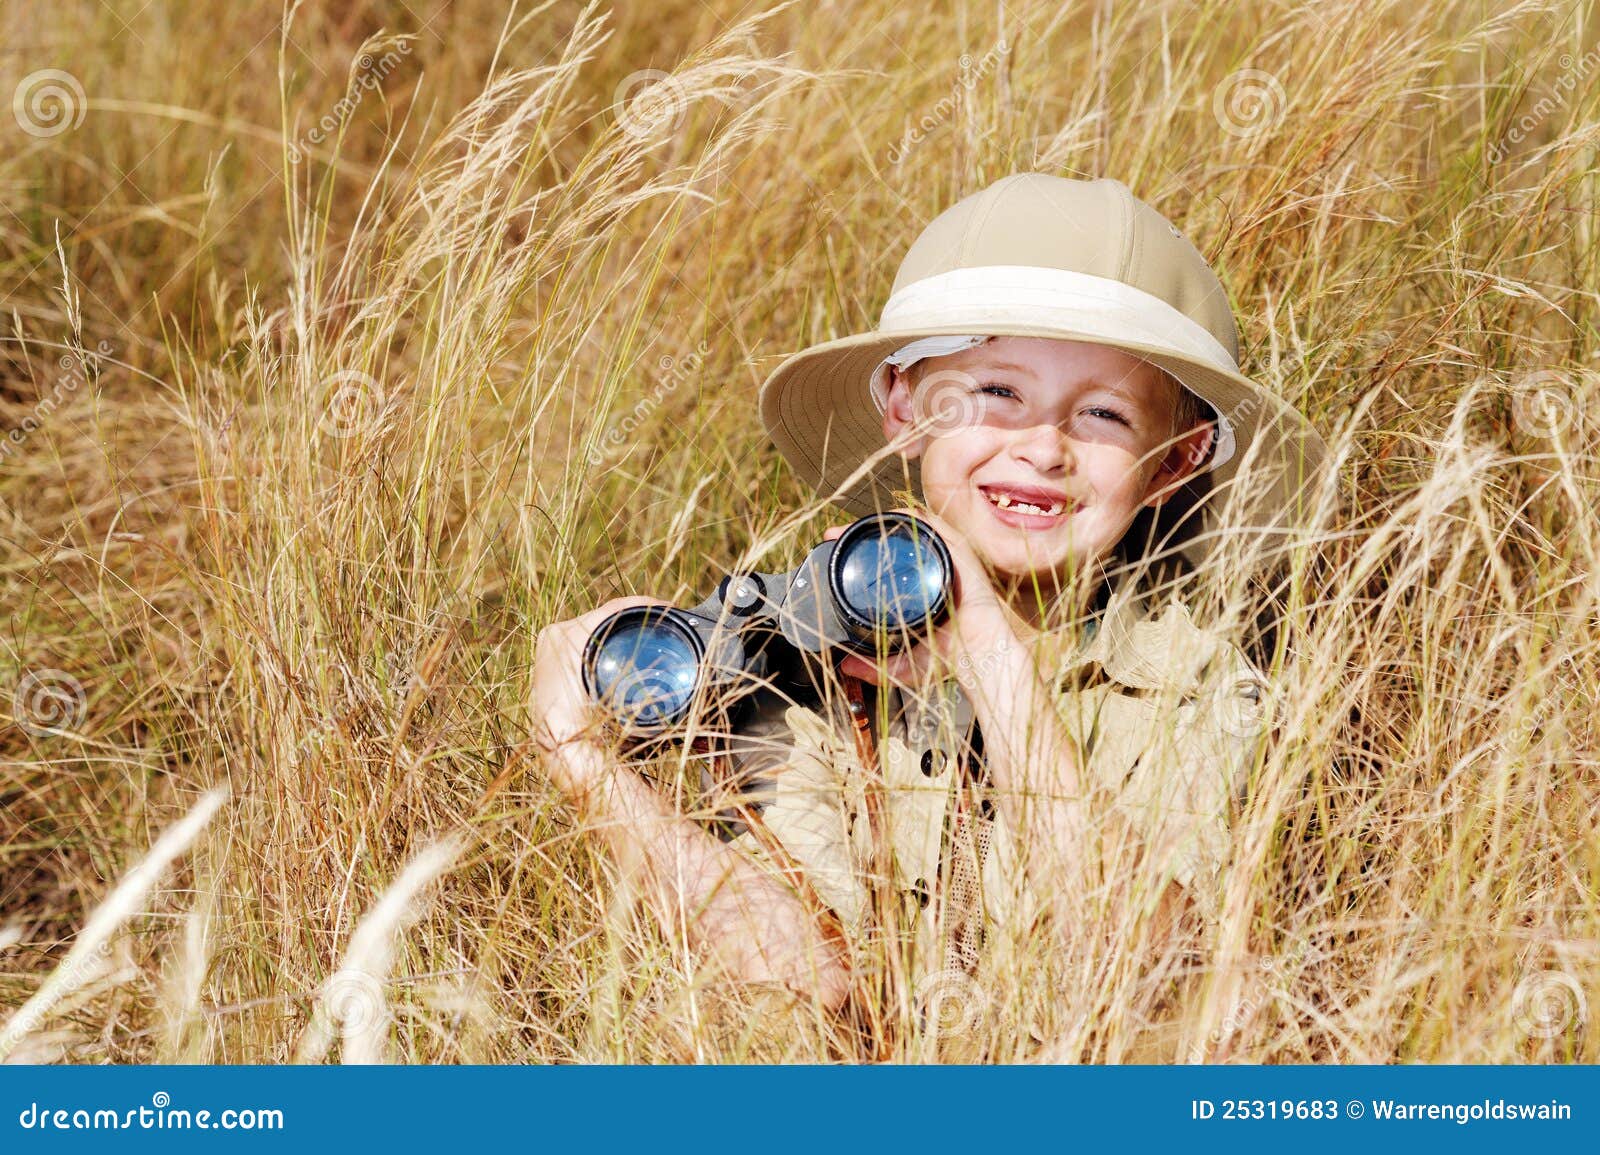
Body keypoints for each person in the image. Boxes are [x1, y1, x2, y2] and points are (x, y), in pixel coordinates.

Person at [531, 173, 1332, 1060]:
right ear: (907, 411)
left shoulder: (1206, 688)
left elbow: (1154, 987)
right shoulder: (800, 671)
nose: (1042, 446)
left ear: (1174, 464)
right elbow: (799, 982)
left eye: (1104, 413)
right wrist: (585, 764)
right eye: (996, 392)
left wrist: (990, 651)